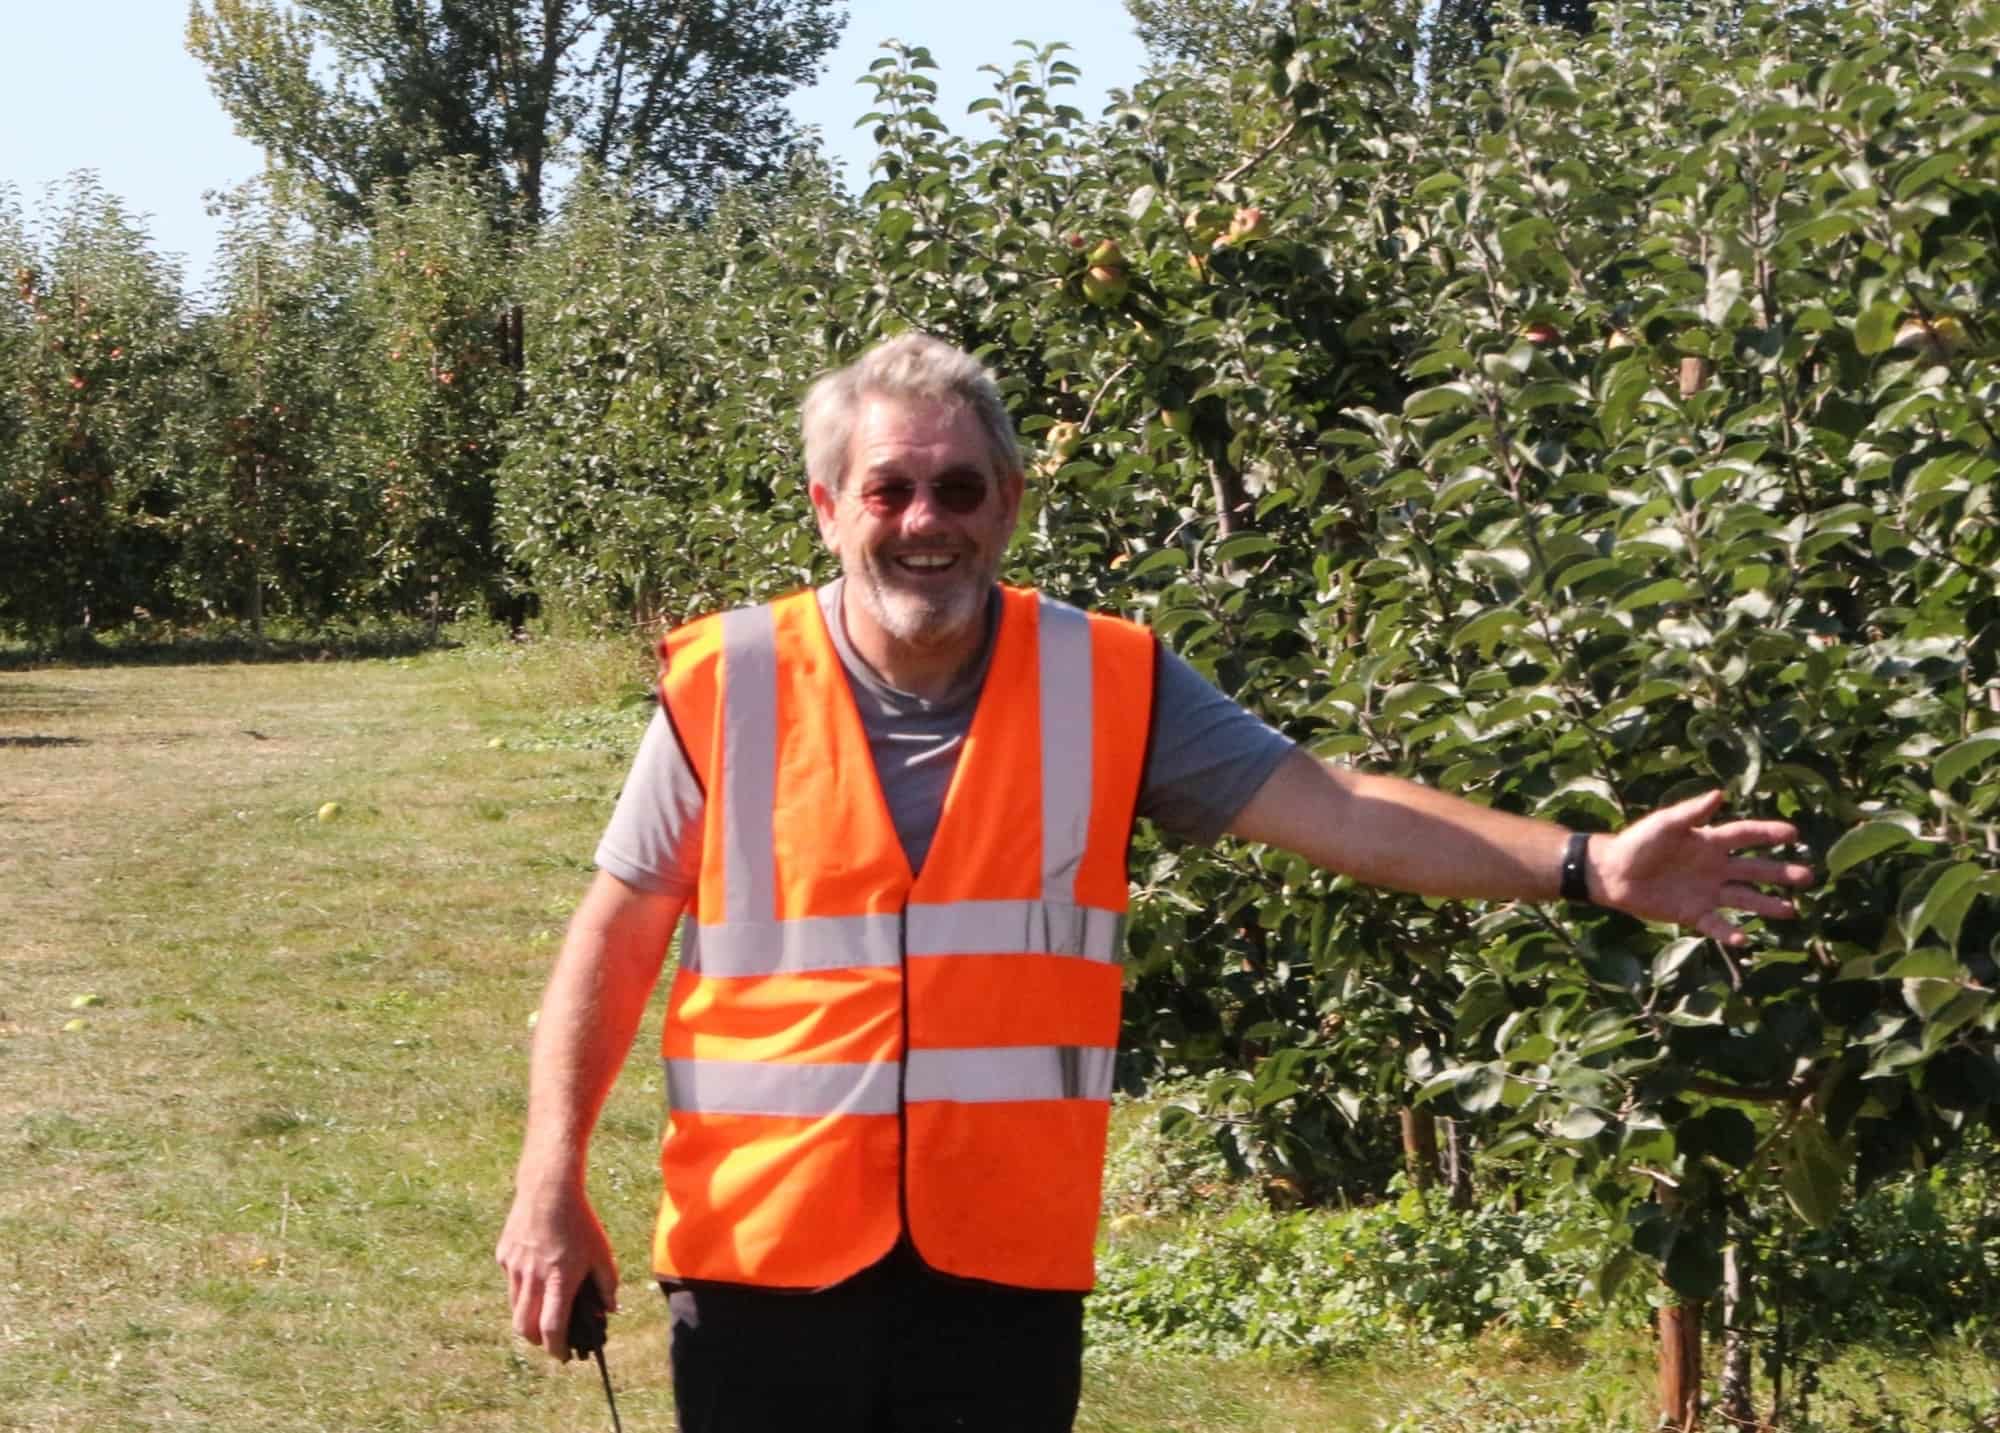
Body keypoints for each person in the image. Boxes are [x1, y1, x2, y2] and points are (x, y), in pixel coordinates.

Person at [495, 333, 1812, 1432]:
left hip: (998, 1265)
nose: (925, 521)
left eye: (959, 489)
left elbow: (1338, 808)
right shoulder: (727, 681)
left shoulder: (1107, 679)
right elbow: (613, 941)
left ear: (1010, 500)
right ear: (829, 506)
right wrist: (550, 1180)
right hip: (760, 1254)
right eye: (888, 488)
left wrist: (1589, 864)